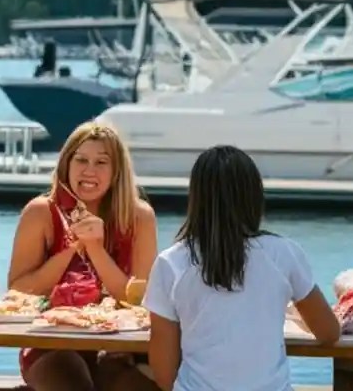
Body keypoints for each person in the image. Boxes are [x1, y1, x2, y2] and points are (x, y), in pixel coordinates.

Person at [143, 145, 340, 391]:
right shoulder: (283, 253)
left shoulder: (170, 263)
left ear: (195, 197)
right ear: (254, 196)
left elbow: (163, 372)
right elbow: (329, 332)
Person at [7, 120, 159, 391]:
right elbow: (19, 291)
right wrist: (69, 248)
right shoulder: (40, 212)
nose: (89, 171)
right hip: (50, 344)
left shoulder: (139, 217)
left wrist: (96, 250)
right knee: (71, 379)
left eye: (101, 162)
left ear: (116, 172)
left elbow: (141, 300)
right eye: (81, 160)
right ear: (66, 164)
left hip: (119, 346)